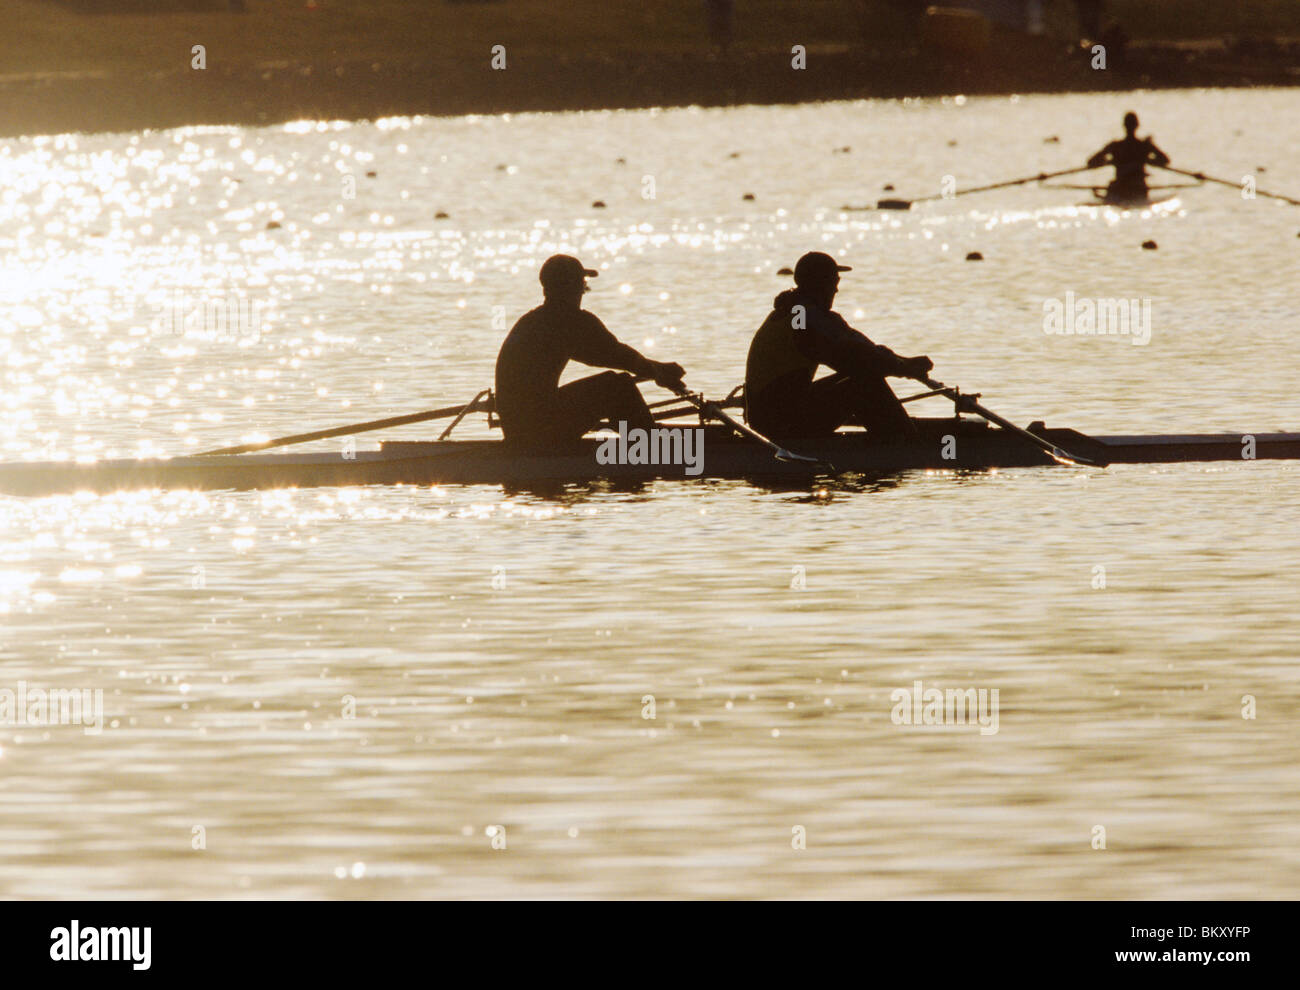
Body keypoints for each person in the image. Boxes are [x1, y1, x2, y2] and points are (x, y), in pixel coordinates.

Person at [495, 255, 685, 449]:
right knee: (618, 387)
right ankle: (652, 451)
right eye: (582, 284)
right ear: (573, 287)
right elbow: (619, 356)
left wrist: (657, 369)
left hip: (519, 428)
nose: (583, 291)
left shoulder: (534, 321)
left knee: (614, 383)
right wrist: (658, 372)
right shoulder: (569, 322)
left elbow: (609, 354)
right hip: (535, 431)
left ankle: (642, 443)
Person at [743, 252, 932, 443]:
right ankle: (905, 445)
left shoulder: (799, 309)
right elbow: (853, 358)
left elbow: (861, 346)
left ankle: (898, 437)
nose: (836, 290)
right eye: (835, 281)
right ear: (820, 284)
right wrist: (902, 369)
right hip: (779, 424)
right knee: (865, 382)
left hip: (775, 414)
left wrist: (904, 363)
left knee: (863, 375)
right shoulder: (802, 319)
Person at [1087, 112, 1169, 203]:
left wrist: (1107, 161)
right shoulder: (1144, 146)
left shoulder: (1115, 146)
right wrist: (1148, 159)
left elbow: (1091, 162)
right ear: (1137, 126)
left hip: (1118, 189)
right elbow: (1165, 160)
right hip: (1138, 189)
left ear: (1124, 126)